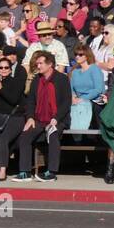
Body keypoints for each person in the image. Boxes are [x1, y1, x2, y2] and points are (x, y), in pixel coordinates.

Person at [12, 51, 71, 183]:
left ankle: (52, 172)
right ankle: (25, 172)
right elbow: (31, 101)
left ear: (50, 64)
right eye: (37, 63)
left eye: (41, 63)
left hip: (57, 119)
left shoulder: (62, 79)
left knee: (53, 135)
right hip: (39, 118)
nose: (38, 66)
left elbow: (66, 102)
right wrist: (30, 117)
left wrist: (56, 118)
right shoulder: (36, 80)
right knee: (25, 135)